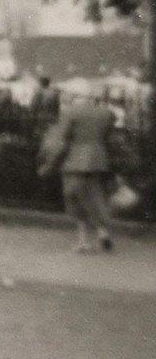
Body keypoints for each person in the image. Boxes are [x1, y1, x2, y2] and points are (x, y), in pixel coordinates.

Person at [38, 81, 115, 253]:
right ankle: (103, 232)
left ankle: (84, 241)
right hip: (98, 160)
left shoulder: (70, 113)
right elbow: (108, 138)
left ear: (74, 95)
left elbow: (61, 142)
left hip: (75, 161)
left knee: (74, 199)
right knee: (94, 196)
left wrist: (49, 165)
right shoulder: (106, 113)